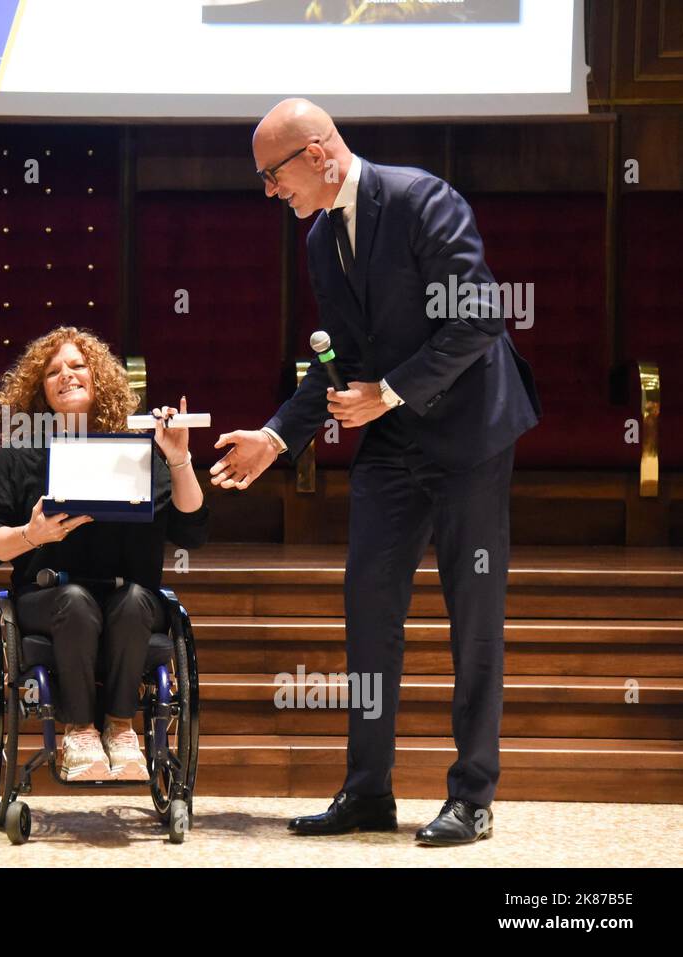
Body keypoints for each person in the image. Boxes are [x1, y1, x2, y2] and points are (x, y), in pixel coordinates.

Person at [211, 99, 540, 845]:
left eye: (272, 173)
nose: (268, 191)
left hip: (469, 433)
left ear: (319, 152)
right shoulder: (322, 238)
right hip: (392, 443)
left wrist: (388, 392)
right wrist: (274, 436)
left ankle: (473, 795)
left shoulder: (421, 200)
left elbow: (480, 316)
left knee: (474, 613)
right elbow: (338, 362)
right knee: (368, 609)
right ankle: (368, 791)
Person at [0, 327, 208, 780]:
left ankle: (120, 729)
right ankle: (78, 731)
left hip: (128, 599)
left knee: (137, 601)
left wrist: (177, 459)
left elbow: (191, 530)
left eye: (78, 365)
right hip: (49, 598)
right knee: (75, 600)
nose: (66, 375)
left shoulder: (139, 453)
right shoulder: (20, 457)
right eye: (53, 371)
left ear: (99, 378)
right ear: (39, 389)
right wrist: (31, 535)